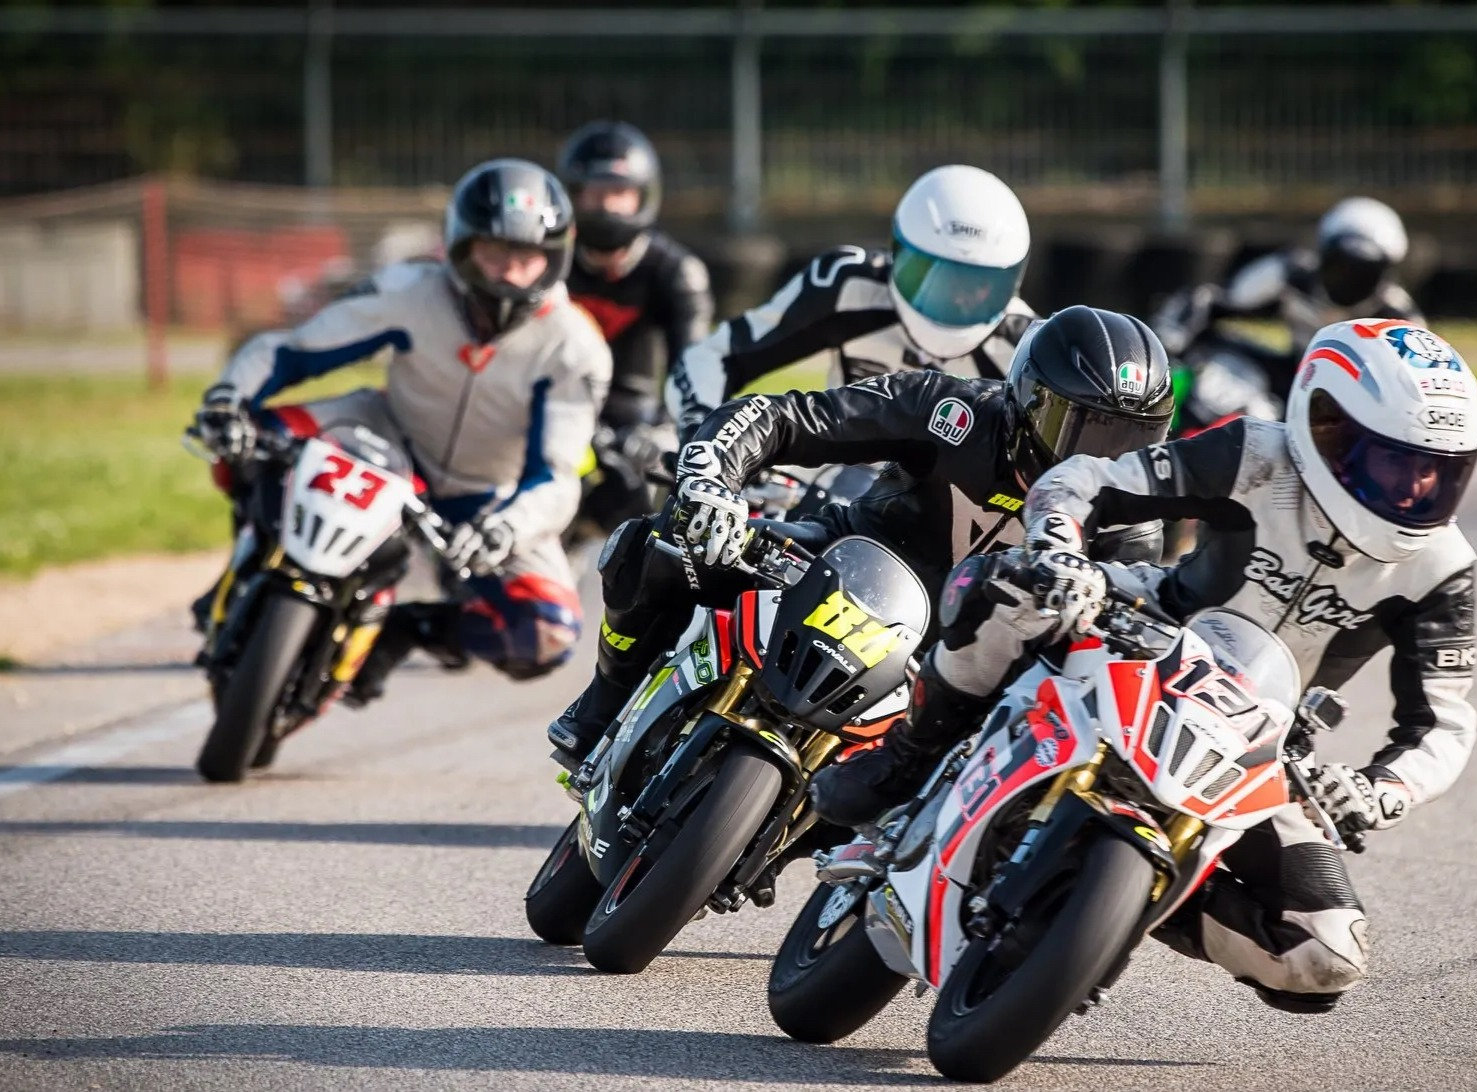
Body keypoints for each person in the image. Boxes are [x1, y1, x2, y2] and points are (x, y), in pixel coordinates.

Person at [813, 316, 1477, 1013]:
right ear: (1328, 428)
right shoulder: (1255, 455)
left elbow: (1444, 724)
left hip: (1253, 744)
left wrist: (1378, 790)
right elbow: (1088, 479)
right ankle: (909, 758)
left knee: (1325, 952)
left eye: (1441, 469)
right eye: (1395, 460)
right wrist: (1060, 552)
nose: (1418, 488)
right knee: (1008, 587)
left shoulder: (1442, 568)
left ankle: (1120, 904)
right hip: (1146, 635)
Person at [547, 305, 1176, 773]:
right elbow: (785, 417)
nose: (1102, 458)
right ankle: (606, 697)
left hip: (959, 659)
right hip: (844, 560)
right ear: (1028, 400)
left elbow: (1123, 636)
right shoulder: (949, 411)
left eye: (1129, 439)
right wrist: (711, 479)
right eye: (1082, 430)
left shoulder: (1130, 518)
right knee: (656, 547)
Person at [192, 158, 612, 702]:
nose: (509, 273)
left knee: (546, 631)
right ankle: (251, 572)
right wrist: (230, 397)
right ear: (461, 248)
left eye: (527, 258)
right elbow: (291, 351)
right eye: (494, 252)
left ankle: (402, 630)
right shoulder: (409, 289)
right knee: (247, 440)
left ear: (555, 258)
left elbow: (556, 476)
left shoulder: (575, 347)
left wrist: (505, 528)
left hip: (484, 493)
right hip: (384, 437)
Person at [665, 164, 1037, 442]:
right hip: (839, 486)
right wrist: (703, 438)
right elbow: (714, 356)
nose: (957, 297)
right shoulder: (847, 285)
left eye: (978, 284)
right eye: (938, 277)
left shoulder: (1030, 349)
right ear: (899, 253)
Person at [559, 120, 713, 520]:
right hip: (554, 409)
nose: (608, 206)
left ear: (643, 195)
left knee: (657, 504)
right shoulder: (547, 264)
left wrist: (665, 429)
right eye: (597, 193)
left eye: (620, 193)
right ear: (575, 196)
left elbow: (695, 373)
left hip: (637, 425)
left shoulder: (675, 271)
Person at [1153, 197, 1424, 400]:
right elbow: (1211, 300)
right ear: (1323, 254)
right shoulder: (1291, 273)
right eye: (1340, 266)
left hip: (1355, 399)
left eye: (1362, 271)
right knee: (1209, 344)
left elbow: (1420, 378)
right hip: (1292, 379)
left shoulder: (1396, 314)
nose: (1347, 279)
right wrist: (1168, 349)